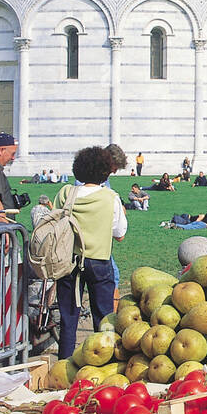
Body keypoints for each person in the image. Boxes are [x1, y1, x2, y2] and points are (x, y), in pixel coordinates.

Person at [52, 146, 128, 361]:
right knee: (103, 316)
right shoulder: (110, 197)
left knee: (68, 317)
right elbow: (120, 232)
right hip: (98, 261)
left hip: (68, 261)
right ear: (105, 172)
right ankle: (104, 362)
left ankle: (64, 361)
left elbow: (55, 220)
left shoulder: (66, 193)